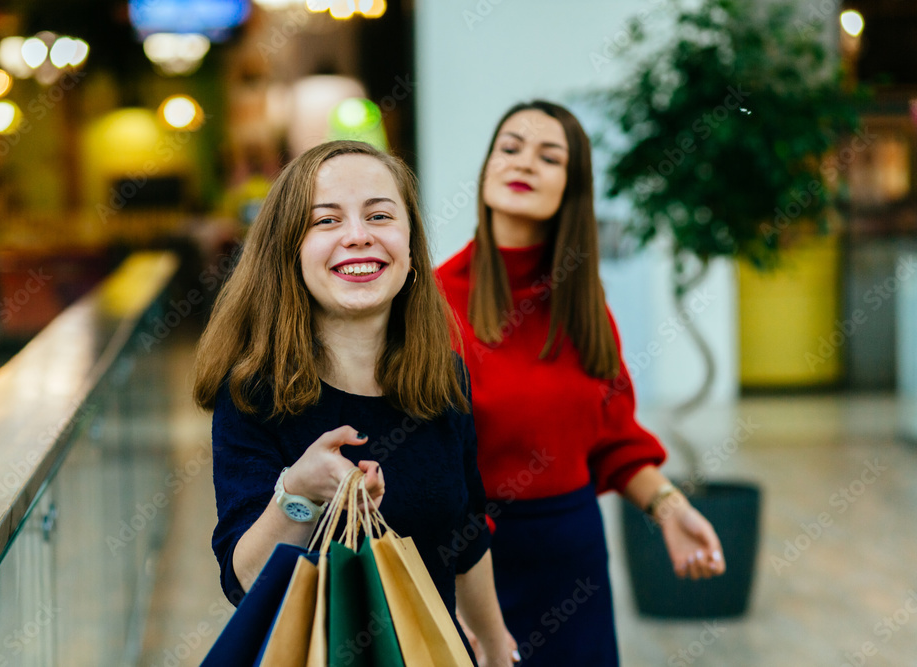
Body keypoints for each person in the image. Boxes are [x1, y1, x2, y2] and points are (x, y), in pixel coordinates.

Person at [192, 140, 515, 666]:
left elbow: (467, 533)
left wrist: (497, 649)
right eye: (326, 221)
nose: (358, 237)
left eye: (380, 216)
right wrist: (299, 492)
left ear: (410, 245)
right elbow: (245, 579)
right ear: (289, 252)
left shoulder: (443, 377)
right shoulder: (253, 393)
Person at [436, 101, 726, 665]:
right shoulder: (433, 302)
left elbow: (614, 440)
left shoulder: (584, 306)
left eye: (550, 157)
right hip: (470, 563)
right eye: (510, 147)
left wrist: (670, 508)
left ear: (573, 187)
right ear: (487, 167)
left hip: (573, 560)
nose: (524, 164)